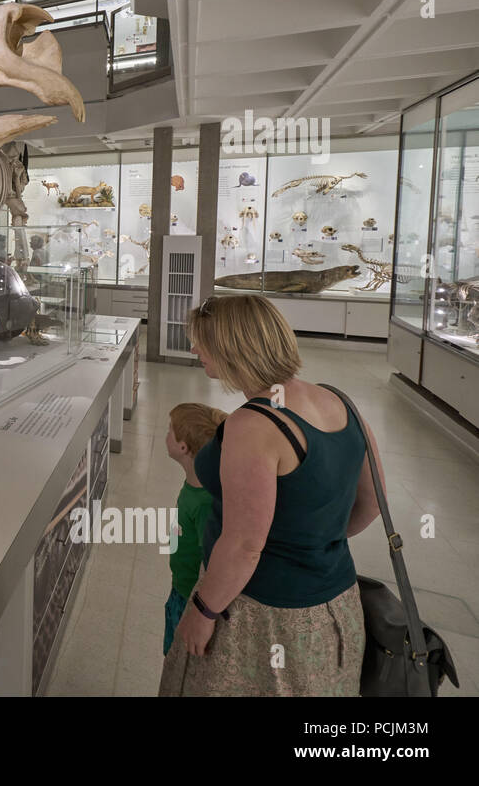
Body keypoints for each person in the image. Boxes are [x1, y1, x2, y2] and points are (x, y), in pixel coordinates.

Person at [160, 294, 385, 696]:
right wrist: (309, 542)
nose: (195, 350)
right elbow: (372, 503)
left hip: (261, 615)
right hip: (336, 607)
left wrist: (204, 609)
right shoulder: (340, 402)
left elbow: (246, 544)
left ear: (232, 346)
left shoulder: (255, 424)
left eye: (202, 341)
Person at [163, 403, 228, 656]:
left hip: (190, 599)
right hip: (180, 587)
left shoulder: (204, 502)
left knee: (178, 658)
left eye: (170, 430)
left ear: (183, 447)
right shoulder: (196, 483)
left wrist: (202, 610)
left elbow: (213, 561)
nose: (165, 433)